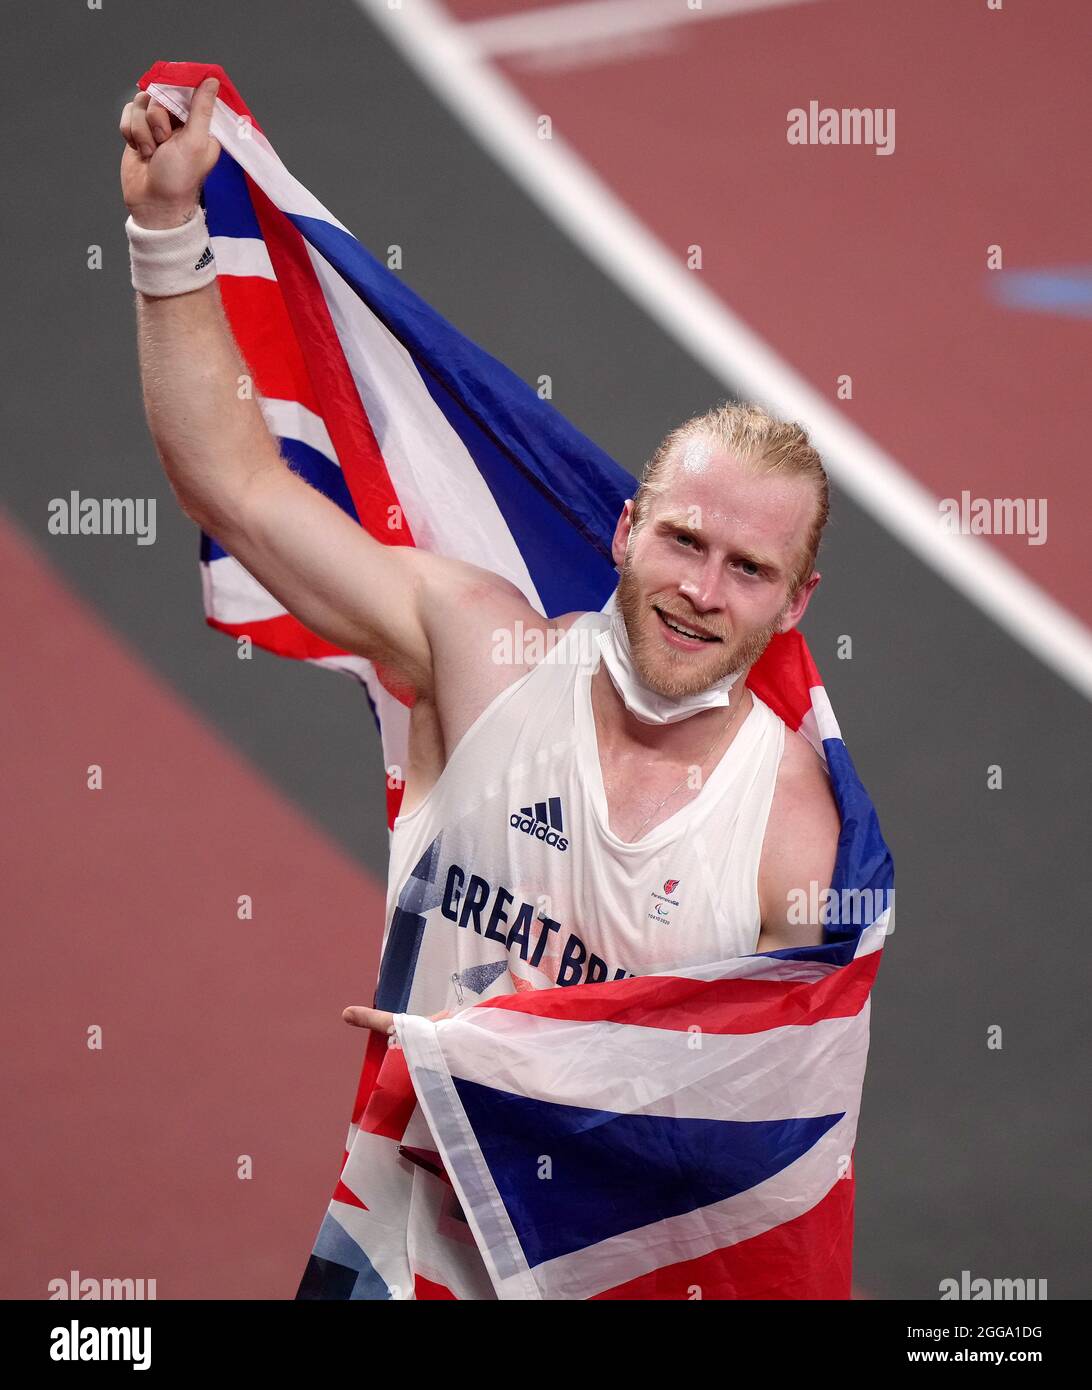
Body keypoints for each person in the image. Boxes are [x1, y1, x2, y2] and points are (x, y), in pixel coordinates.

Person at [120, 79, 842, 1297]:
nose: (702, 590)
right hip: (391, 1261)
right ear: (624, 529)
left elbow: (755, 1159)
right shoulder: (482, 652)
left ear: (793, 603)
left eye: (748, 568)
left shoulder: (788, 834)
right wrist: (164, 231)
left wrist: (505, 1067)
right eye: (682, 542)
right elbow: (234, 484)